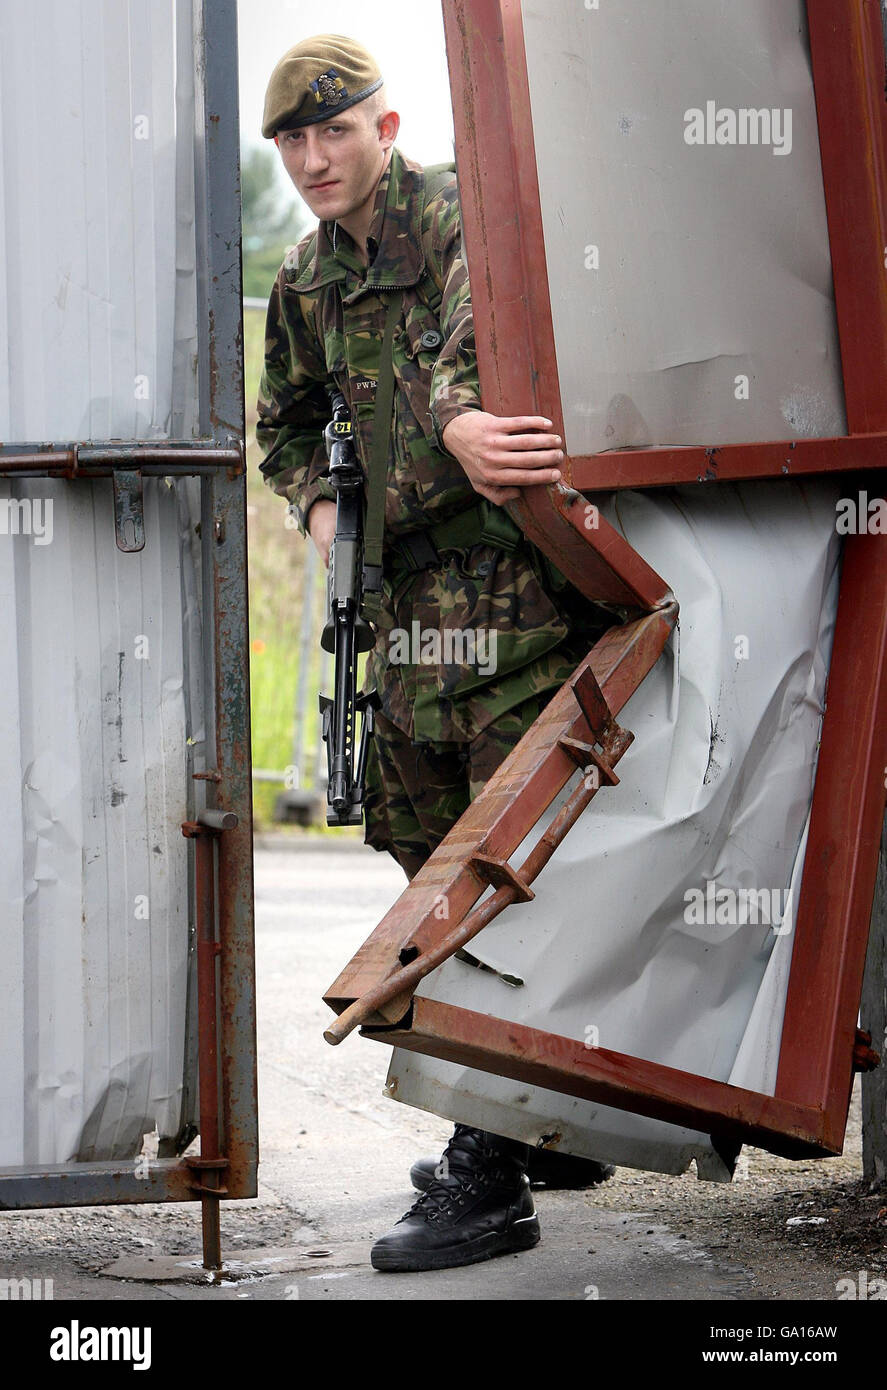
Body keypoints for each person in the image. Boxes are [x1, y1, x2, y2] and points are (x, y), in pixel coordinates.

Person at [256, 34, 613, 1274]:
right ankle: (533, 1116)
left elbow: (479, 336)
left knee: (496, 878)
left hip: (510, 596)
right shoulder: (303, 281)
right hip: (399, 613)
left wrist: (457, 412)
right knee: (420, 859)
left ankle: (488, 1169)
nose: (311, 159)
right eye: (293, 142)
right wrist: (320, 509)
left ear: (384, 128)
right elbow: (284, 423)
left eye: (332, 132)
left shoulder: (464, 216)